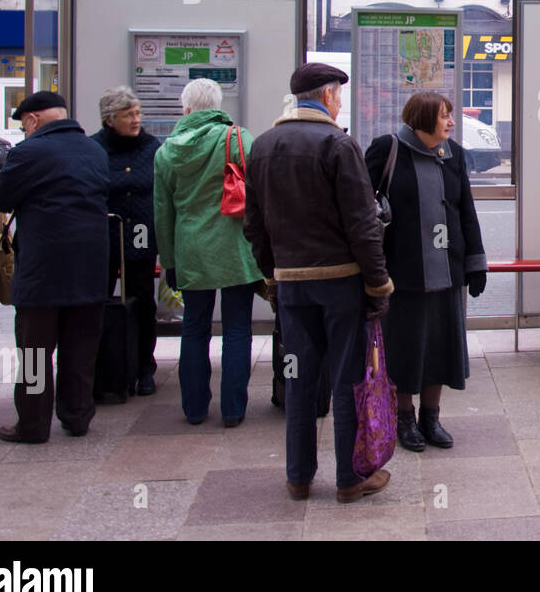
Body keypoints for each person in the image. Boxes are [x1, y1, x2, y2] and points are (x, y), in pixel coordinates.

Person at [243, 63, 395, 503]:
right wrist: (378, 282)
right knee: (348, 379)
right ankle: (349, 479)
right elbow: (363, 224)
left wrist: (272, 275)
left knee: (299, 379)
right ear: (328, 96)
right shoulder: (338, 143)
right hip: (340, 282)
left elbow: (254, 224)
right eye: (339, 95)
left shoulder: (264, 146)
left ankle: (298, 477)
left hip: (292, 284)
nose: (340, 102)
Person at [0, 91, 109, 442]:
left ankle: (34, 425)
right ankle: (77, 416)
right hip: (90, 267)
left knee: (36, 353)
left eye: (24, 124)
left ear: (33, 121)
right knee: (80, 349)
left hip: (43, 273)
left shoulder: (30, 151)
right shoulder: (95, 151)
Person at [364, 92, 486, 452]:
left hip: (446, 270)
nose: (451, 122)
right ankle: (404, 418)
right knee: (405, 347)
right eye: (444, 116)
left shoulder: (454, 155)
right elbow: (362, 205)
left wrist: (476, 261)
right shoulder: (388, 149)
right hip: (402, 271)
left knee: (440, 346)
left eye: (450, 115)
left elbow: (466, 211)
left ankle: (431, 417)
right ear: (422, 119)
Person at [153, 78, 263, 428]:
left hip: (191, 250)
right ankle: (233, 409)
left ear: (185, 109)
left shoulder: (166, 151)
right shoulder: (236, 138)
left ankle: (195, 409)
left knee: (194, 328)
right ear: (218, 105)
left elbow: (162, 214)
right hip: (235, 249)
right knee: (236, 329)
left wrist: (169, 261)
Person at [91, 87, 162, 398]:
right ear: (109, 120)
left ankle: (144, 365)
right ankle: (102, 365)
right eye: (128, 115)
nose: (136, 120)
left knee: (142, 299)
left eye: (137, 113)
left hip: (141, 231)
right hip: (105, 233)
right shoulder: (93, 148)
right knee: (99, 299)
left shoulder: (151, 147)